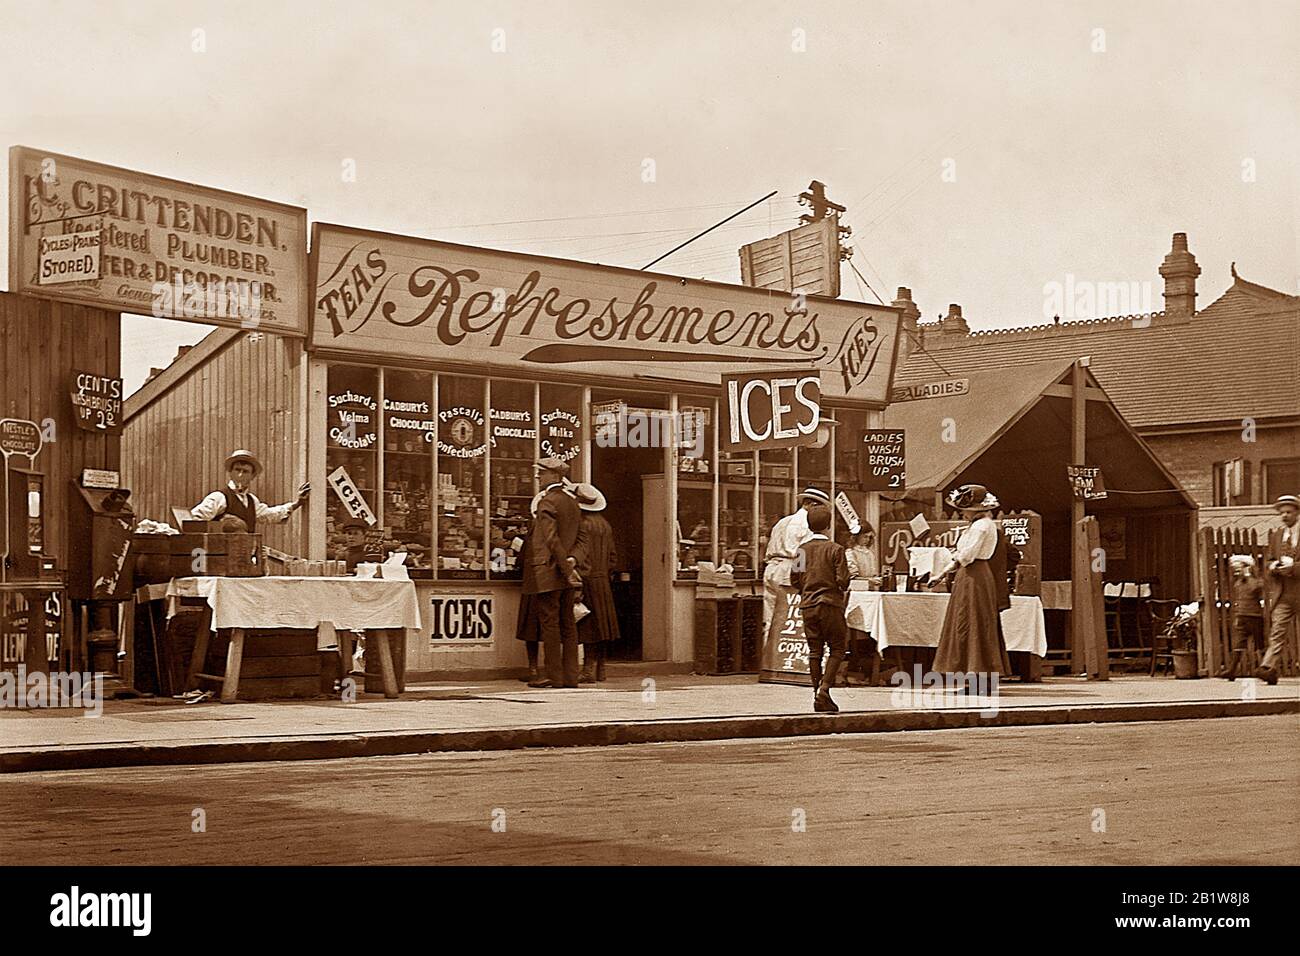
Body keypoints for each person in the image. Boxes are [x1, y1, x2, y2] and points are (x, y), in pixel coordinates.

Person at [932, 484, 1013, 686]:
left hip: (974, 576)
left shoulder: (982, 527)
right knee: (972, 621)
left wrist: (952, 559)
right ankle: (975, 676)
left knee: (972, 622)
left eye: (964, 510)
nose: (961, 513)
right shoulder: (979, 525)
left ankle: (978, 676)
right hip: (970, 576)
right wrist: (941, 574)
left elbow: (967, 557)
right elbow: (962, 558)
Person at [523, 457, 582, 688]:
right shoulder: (572, 502)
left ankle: (553, 676)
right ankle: (571, 676)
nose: (538, 477)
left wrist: (564, 567)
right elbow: (578, 538)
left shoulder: (547, 502)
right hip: (567, 571)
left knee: (550, 624)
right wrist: (571, 563)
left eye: (542, 473)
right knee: (568, 623)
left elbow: (550, 539)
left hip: (549, 571)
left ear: (555, 476)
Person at [791, 505, 850, 713]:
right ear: (828, 525)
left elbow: (794, 580)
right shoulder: (836, 549)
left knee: (815, 651)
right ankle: (824, 689)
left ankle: (817, 693)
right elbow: (843, 581)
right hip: (830, 604)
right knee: (837, 648)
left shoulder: (801, 551)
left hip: (808, 605)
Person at [572, 482, 621, 683]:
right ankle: (601, 668)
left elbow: (581, 555)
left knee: (588, 627)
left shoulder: (581, 524)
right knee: (602, 626)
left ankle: (588, 669)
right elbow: (612, 557)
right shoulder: (605, 525)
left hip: (587, 578)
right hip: (602, 581)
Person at [191, 449, 309, 531]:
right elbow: (194, 520)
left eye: (245, 471)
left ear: (253, 476)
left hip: (244, 554)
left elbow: (269, 515)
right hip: (222, 556)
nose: (241, 475)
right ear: (230, 473)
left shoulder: (252, 501)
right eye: (237, 470)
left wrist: (297, 504)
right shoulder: (219, 497)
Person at [763, 488, 830, 632]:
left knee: (770, 618)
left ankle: (768, 653)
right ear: (812, 505)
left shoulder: (783, 521)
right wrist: (803, 579)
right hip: (789, 570)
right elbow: (801, 552)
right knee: (790, 618)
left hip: (772, 568)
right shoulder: (806, 524)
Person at [1256, 494, 1300, 685]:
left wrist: (1294, 568)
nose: (1285, 516)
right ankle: (1268, 668)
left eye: (1289, 512)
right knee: (1277, 631)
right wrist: (1273, 567)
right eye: (1282, 513)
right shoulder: (1277, 536)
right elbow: (1268, 561)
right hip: (1284, 593)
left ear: (1297, 513)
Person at [1220, 555, 1264, 680]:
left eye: (1239, 567)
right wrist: (1237, 616)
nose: (1236, 570)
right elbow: (1239, 600)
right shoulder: (1238, 582)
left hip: (1255, 616)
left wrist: (1248, 575)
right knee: (1239, 643)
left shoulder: (1255, 581)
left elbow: (1255, 588)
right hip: (1243, 616)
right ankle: (1232, 670)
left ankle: (1265, 669)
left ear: (1247, 567)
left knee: (1259, 644)